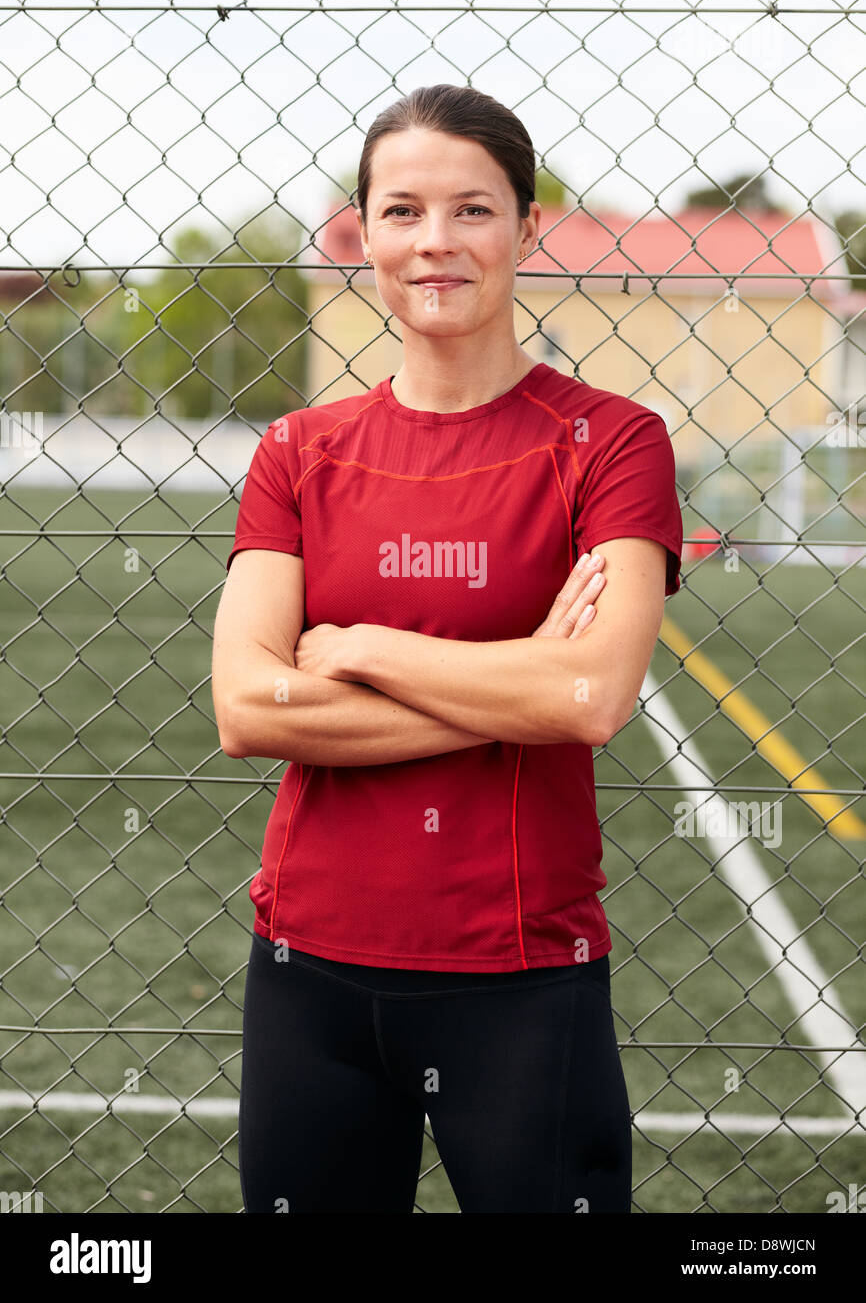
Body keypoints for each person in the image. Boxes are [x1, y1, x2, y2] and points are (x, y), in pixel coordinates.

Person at [211, 83, 683, 1214]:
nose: (434, 242)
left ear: (526, 228)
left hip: (520, 974)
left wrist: (362, 644)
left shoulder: (610, 441)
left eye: (471, 210)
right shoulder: (298, 450)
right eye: (402, 210)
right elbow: (248, 709)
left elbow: (588, 696)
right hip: (309, 967)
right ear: (362, 233)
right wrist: (516, 672)